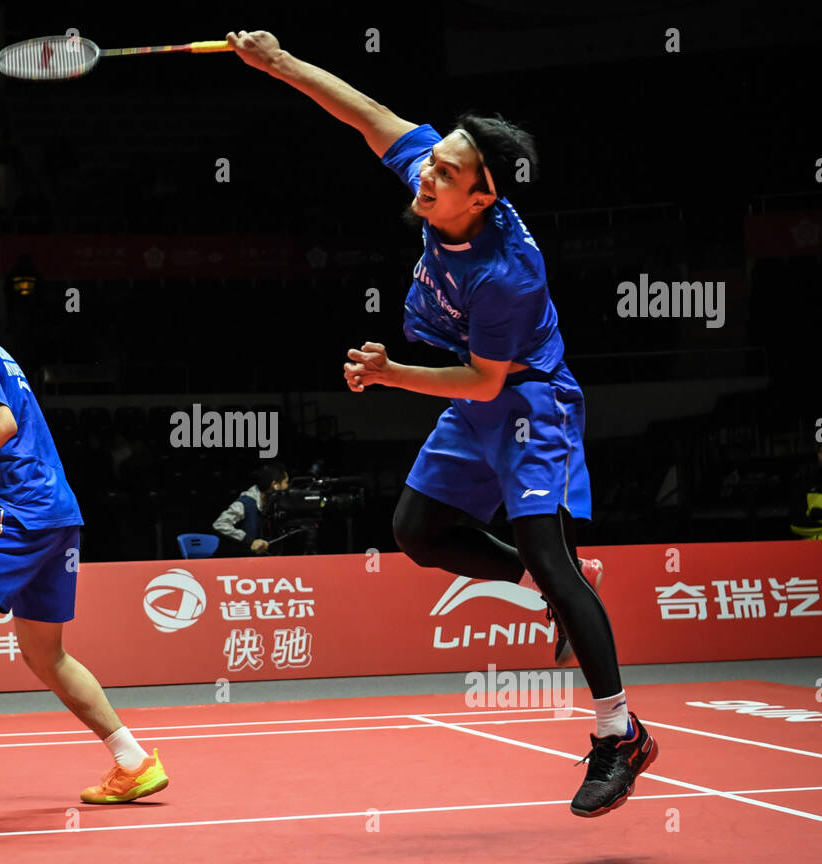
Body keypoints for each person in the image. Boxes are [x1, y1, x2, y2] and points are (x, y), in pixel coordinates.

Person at [228, 30, 655, 817]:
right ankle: (554, 588)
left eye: (446, 172)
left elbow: (484, 379)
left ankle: (617, 733)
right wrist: (278, 63)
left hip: (529, 399)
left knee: (543, 545)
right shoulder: (437, 176)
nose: (427, 173)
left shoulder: (507, 275)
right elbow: (366, 115)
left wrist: (389, 374)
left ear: (483, 196)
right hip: (477, 397)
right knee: (419, 529)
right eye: (434, 161)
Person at [0, 247, 168, 824]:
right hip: (55, 510)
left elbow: (1, 424)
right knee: (46, 655)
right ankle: (134, 760)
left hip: (16, 508)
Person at [213, 462, 289, 556]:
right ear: (275, 485)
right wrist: (250, 541)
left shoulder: (272, 505)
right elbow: (220, 524)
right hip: (235, 561)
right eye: (286, 482)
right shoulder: (246, 503)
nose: (287, 487)